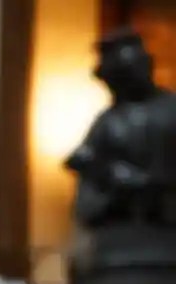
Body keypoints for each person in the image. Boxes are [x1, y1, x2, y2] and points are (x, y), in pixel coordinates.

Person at [66, 29, 176, 228]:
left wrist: (149, 183)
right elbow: (86, 163)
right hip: (121, 225)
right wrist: (109, 174)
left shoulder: (171, 110)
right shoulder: (109, 121)